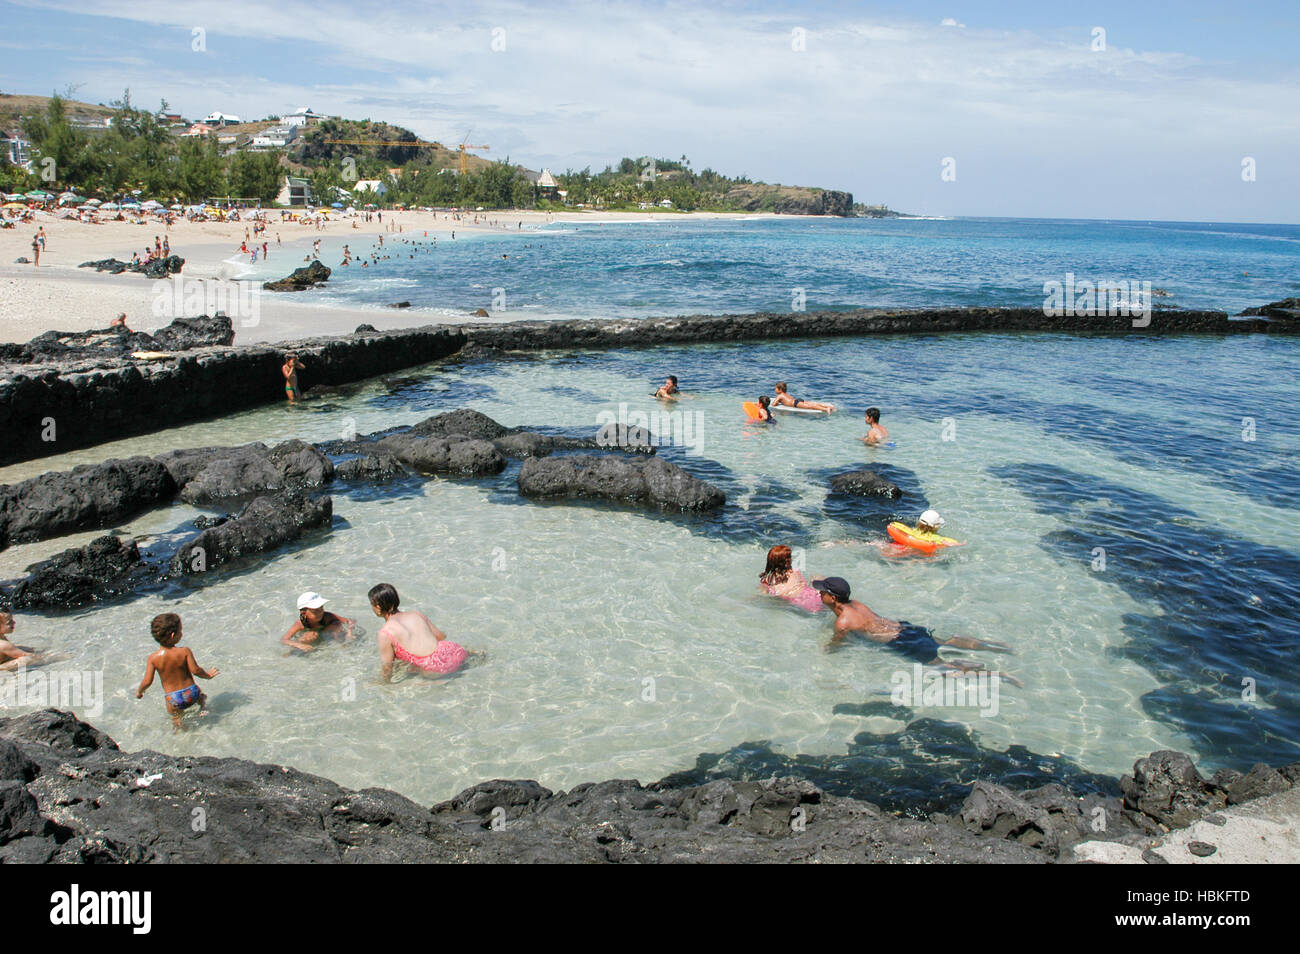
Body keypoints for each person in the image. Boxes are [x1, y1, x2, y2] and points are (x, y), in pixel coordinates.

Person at [812, 577, 1012, 671]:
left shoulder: (843, 623)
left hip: (901, 643)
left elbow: (836, 646)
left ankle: (994, 674)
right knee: (947, 641)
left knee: (941, 665)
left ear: (832, 597)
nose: (819, 594)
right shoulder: (856, 604)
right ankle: (995, 646)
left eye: (822, 592)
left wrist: (825, 651)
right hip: (906, 629)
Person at [368, 583, 471, 680]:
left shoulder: (385, 633)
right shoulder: (415, 614)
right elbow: (441, 636)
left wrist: (384, 684)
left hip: (435, 669)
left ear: (378, 607)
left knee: (415, 675)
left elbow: (387, 667)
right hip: (454, 652)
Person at [135, 613, 220, 729]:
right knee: (202, 698)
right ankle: (203, 710)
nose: (182, 634)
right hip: (192, 692)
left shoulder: (153, 658)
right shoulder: (185, 651)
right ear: (173, 635)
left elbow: (147, 681)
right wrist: (208, 675)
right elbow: (196, 670)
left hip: (173, 698)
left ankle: (179, 729)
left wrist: (140, 691)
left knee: (176, 718)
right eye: (180, 631)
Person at [281, 592, 355, 653]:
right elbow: (284, 640)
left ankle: (341, 645)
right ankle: (290, 654)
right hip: (314, 634)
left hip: (329, 631)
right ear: (304, 614)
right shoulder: (300, 624)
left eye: (321, 608)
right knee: (309, 636)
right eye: (315, 611)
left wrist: (349, 632)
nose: (320, 612)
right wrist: (300, 645)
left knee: (335, 625)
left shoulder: (328, 616)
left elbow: (349, 621)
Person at [758, 546, 823, 613]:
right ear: (787, 562)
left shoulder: (767, 581)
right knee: (815, 577)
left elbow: (764, 596)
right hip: (814, 595)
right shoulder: (794, 571)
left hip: (797, 603)